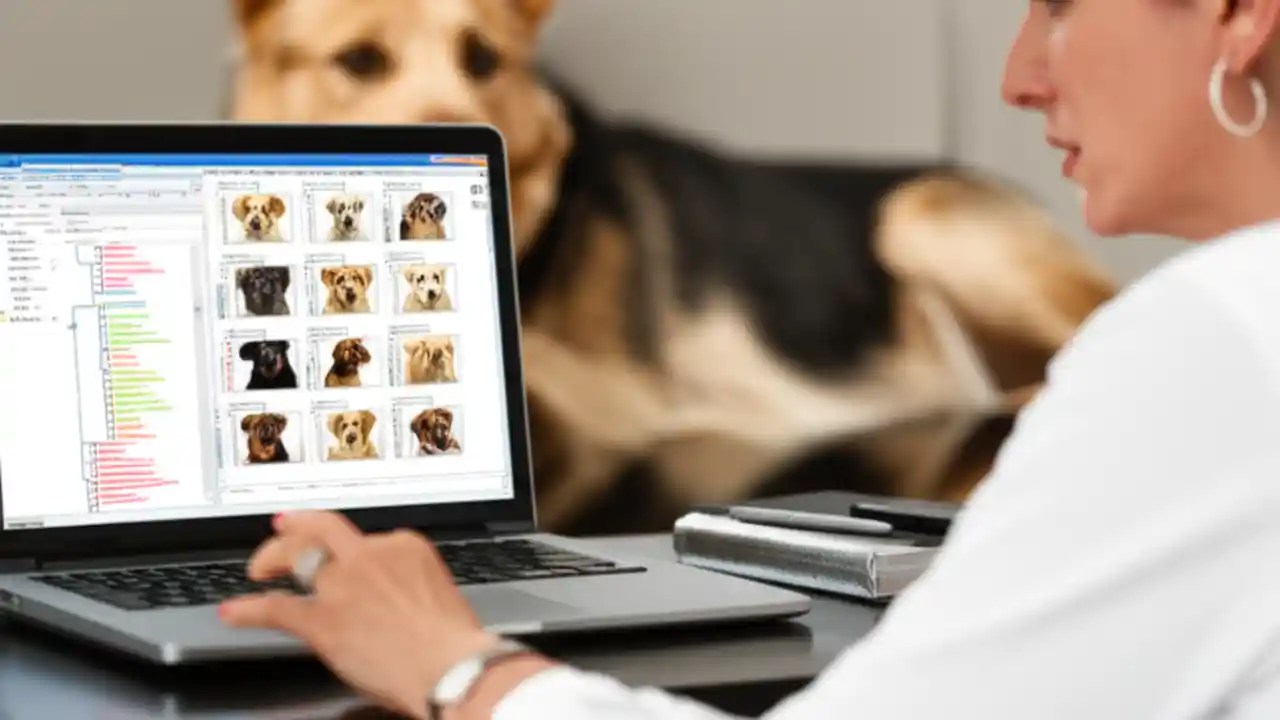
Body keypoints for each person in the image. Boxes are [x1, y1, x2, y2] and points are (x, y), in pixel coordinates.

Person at [219, 0, 1280, 717]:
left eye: (1057, 3)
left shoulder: (1212, 346)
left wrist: (458, 667)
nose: (1015, 77)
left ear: (1235, 14)